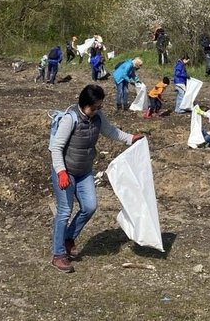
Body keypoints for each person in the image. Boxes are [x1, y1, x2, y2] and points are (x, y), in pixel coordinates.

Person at [49, 84, 143, 272]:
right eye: (95, 107)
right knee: (64, 212)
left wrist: (131, 138)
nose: (98, 110)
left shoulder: (97, 117)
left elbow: (111, 131)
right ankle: (58, 254)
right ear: (85, 104)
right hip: (65, 172)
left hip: (84, 171)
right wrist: (61, 172)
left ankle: (68, 238)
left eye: (100, 106)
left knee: (90, 206)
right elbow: (56, 148)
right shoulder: (70, 119)